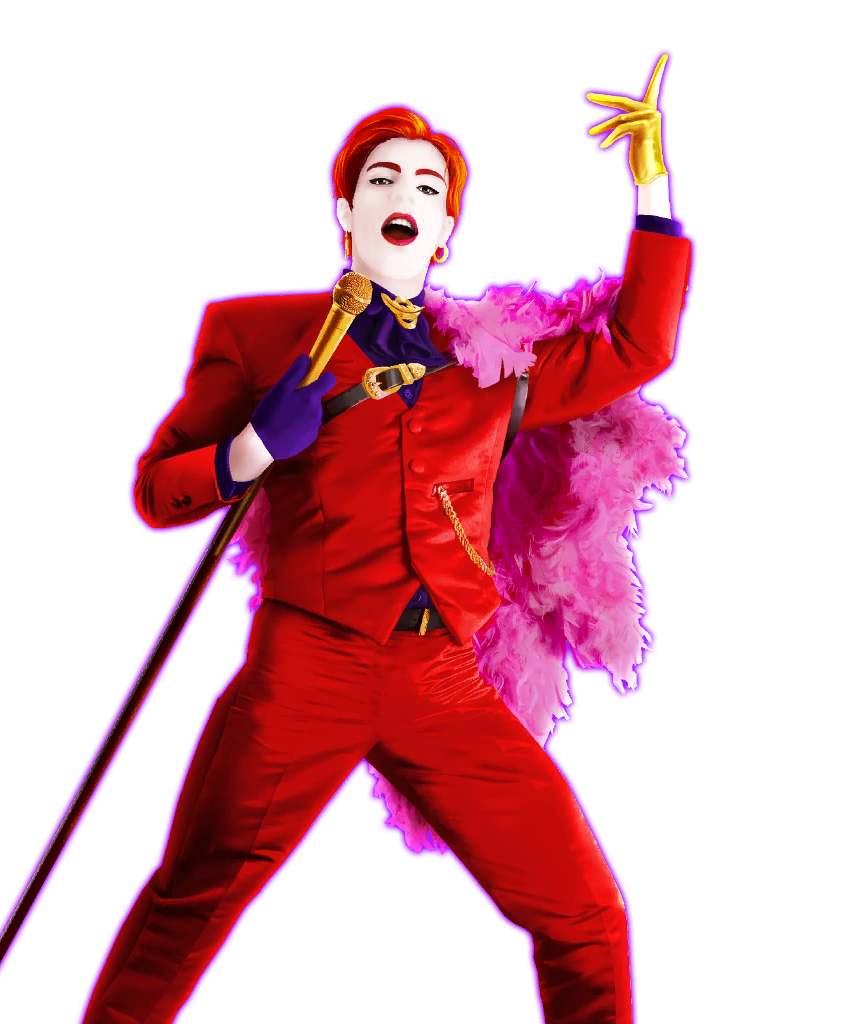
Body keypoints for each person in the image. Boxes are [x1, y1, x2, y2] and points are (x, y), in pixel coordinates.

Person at [83, 57, 689, 1024]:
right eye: (381, 179)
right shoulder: (255, 331)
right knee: (188, 905)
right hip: (303, 669)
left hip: (441, 680)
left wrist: (652, 186)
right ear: (347, 211)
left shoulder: (490, 364)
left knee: (585, 913)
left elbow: (634, 348)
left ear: (446, 229)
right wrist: (248, 449)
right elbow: (155, 492)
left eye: (427, 186)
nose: (404, 194)